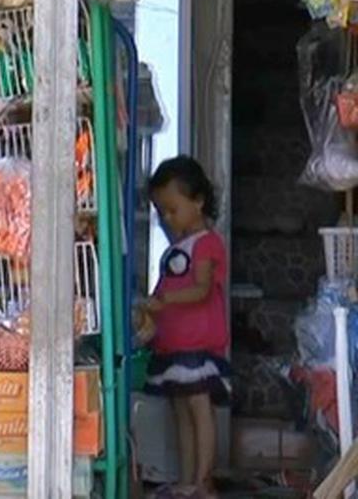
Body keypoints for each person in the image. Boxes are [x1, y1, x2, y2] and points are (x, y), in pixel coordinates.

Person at [142, 156, 231, 498]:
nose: (167, 217)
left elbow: (202, 289)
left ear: (198, 201)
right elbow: (163, 289)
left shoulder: (207, 243)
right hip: (173, 345)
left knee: (198, 407)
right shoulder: (175, 249)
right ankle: (187, 479)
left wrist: (164, 302)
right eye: (161, 211)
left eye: (172, 209)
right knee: (181, 411)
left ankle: (203, 479)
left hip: (197, 345)